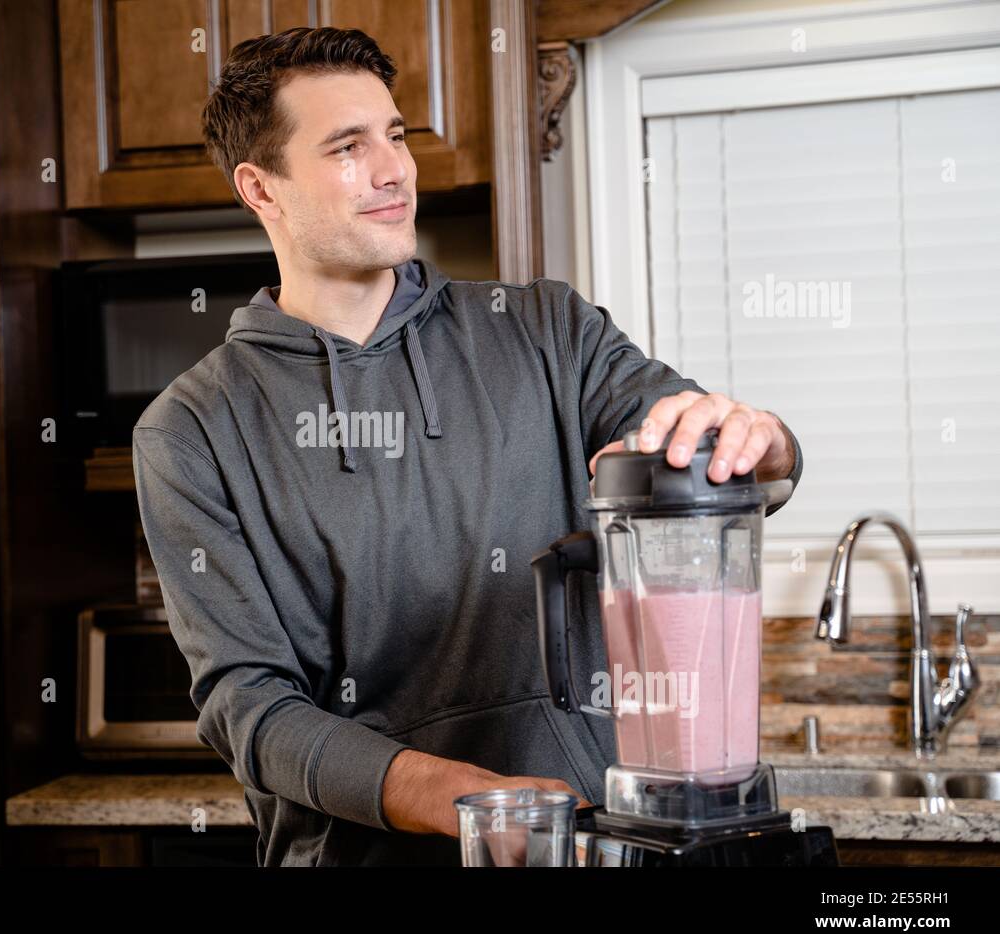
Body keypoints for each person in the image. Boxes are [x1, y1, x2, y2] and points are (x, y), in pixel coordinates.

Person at [130, 26, 803, 866]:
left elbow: (705, 445)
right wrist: (453, 797)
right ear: (261, 188)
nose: (394, 170)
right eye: (348, 147)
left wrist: (762, 440)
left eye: (397, 135)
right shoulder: (191, 430)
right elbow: (249, 703)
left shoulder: (547, 331)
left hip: (588, 845)